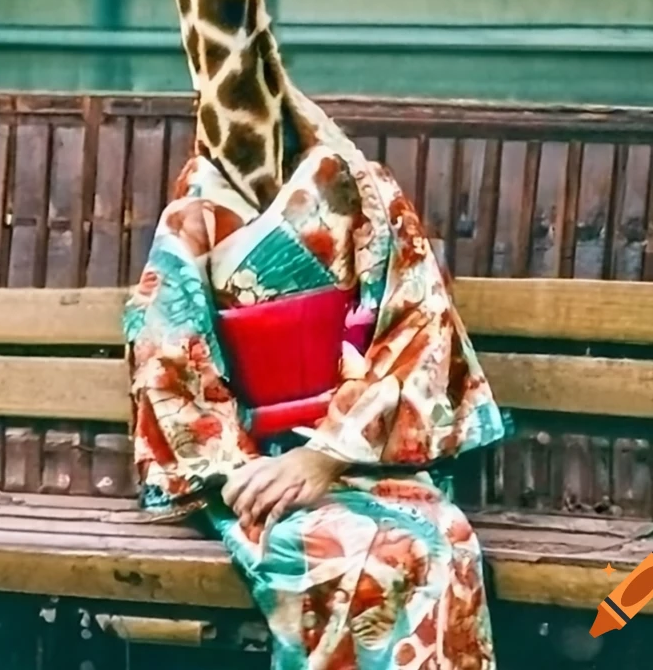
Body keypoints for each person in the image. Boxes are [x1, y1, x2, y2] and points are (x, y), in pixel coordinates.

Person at [124, 143, 507, 669]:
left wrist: (329, 452)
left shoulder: (360, 185)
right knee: (339, 553)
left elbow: (415, 326)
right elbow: (166, 350)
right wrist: (241, 468)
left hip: (359, 459)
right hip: (247, 462)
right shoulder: (193, 211)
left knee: (438, 544)